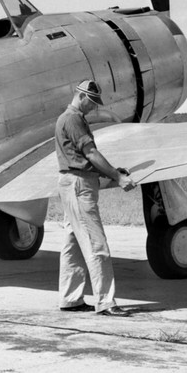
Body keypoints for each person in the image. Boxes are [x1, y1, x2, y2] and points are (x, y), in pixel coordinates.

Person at [54, 79, 136, 316]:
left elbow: (85, 157)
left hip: (71, 183)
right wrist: (118, 178)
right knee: (96, 244)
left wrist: (111, 171)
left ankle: (70, 299)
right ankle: (106, 302)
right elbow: (90, 153)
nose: (94, 107)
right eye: (91, 102)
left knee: (73, 245)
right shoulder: (73, 119)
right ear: (81, 96)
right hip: (80, 186)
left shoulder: (65, 119)